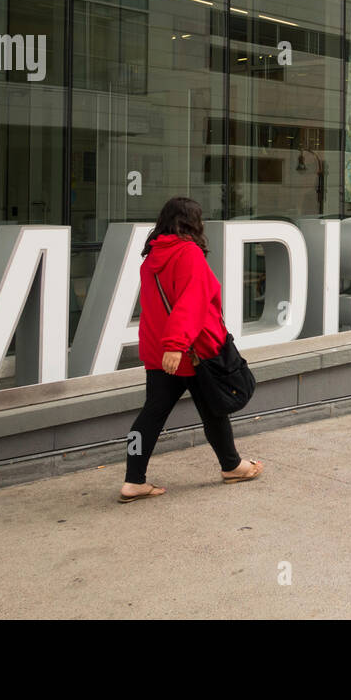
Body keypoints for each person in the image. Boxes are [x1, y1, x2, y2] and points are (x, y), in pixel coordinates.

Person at [120, 196, 262, 502]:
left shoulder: (152, 258)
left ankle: (133, 480)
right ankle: (232, 465)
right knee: (214, 409)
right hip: (189, 351)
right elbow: (191, 303)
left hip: (161, 351)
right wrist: (176, 346)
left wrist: (167, 347)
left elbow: (155, 309)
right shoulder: (188, 253)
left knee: (151, 415)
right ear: (192, 222)